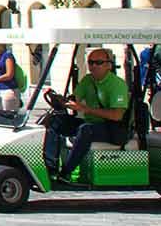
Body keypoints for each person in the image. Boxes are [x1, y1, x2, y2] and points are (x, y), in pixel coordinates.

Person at [43, 46, 131, 182]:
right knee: (55, 121)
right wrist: (61, 100)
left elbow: (117, 115)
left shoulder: (117, 85)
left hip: (114, 128)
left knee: (85, 130)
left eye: (98, 63)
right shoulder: (88, 80)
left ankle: (66, 172)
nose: (94, 66)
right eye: (91, 63)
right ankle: (50, 167)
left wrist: (85, 108)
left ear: (108, 65)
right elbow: (75, 99)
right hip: (92, 123)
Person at [0, 44, 21, 111]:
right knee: (0, 114)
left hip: (9, 89)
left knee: (9, 114)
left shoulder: (8, 55)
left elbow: (9, 75)